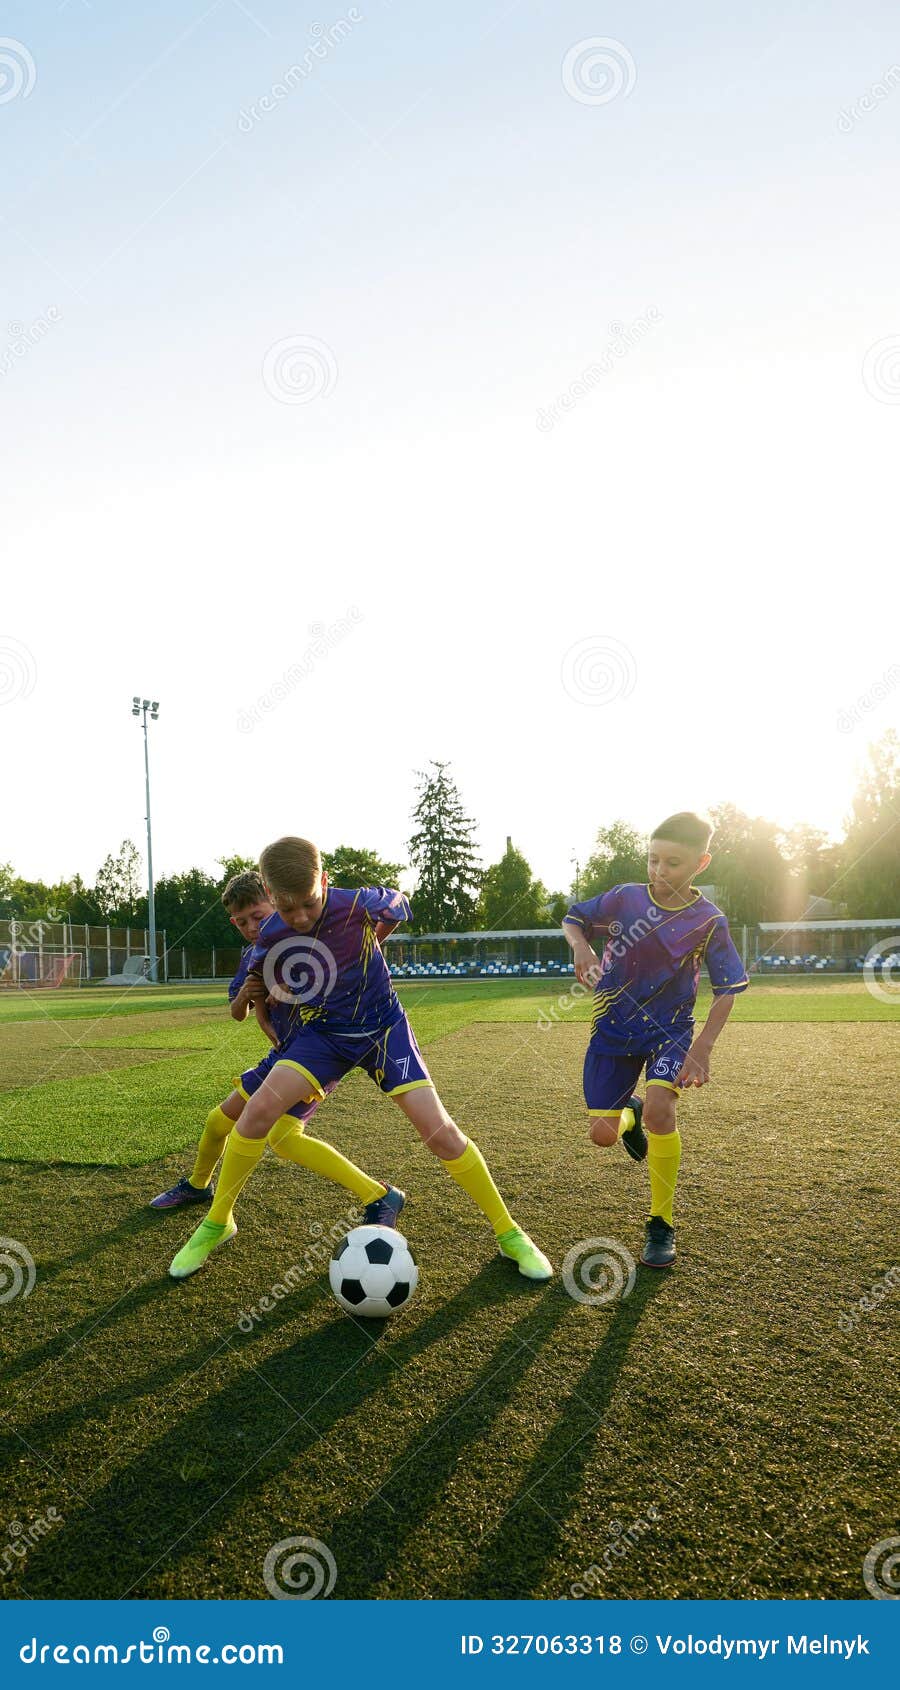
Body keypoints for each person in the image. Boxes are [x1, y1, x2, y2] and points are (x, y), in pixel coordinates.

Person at [168, 838, 553, 1284]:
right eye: (287, 909)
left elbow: (399, 905)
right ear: (272, 898)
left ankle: (511, 1235)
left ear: (325, 882)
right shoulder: (271, 936)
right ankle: (218, 1223)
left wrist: (369, 942)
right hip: (324, 1038)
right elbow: (255, 989)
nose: (300, 917)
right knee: (256, 1115)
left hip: (384, 1030)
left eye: (309, 904)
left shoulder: (357, 904)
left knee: (441, 1133)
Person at [563, 813, 748, 1268]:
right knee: (603, 1136)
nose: (660, 872)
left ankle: (660, 1223)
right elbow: (573, 918)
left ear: (701, 863)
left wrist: (701, 1048)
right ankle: (631, 1111)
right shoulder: (624, 899)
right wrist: (581, 946)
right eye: (653, 860)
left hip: (672, 1032)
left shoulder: (709, 920)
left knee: (665, 1110)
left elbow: (727, 989)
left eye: (673, 863)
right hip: (611, 1029)